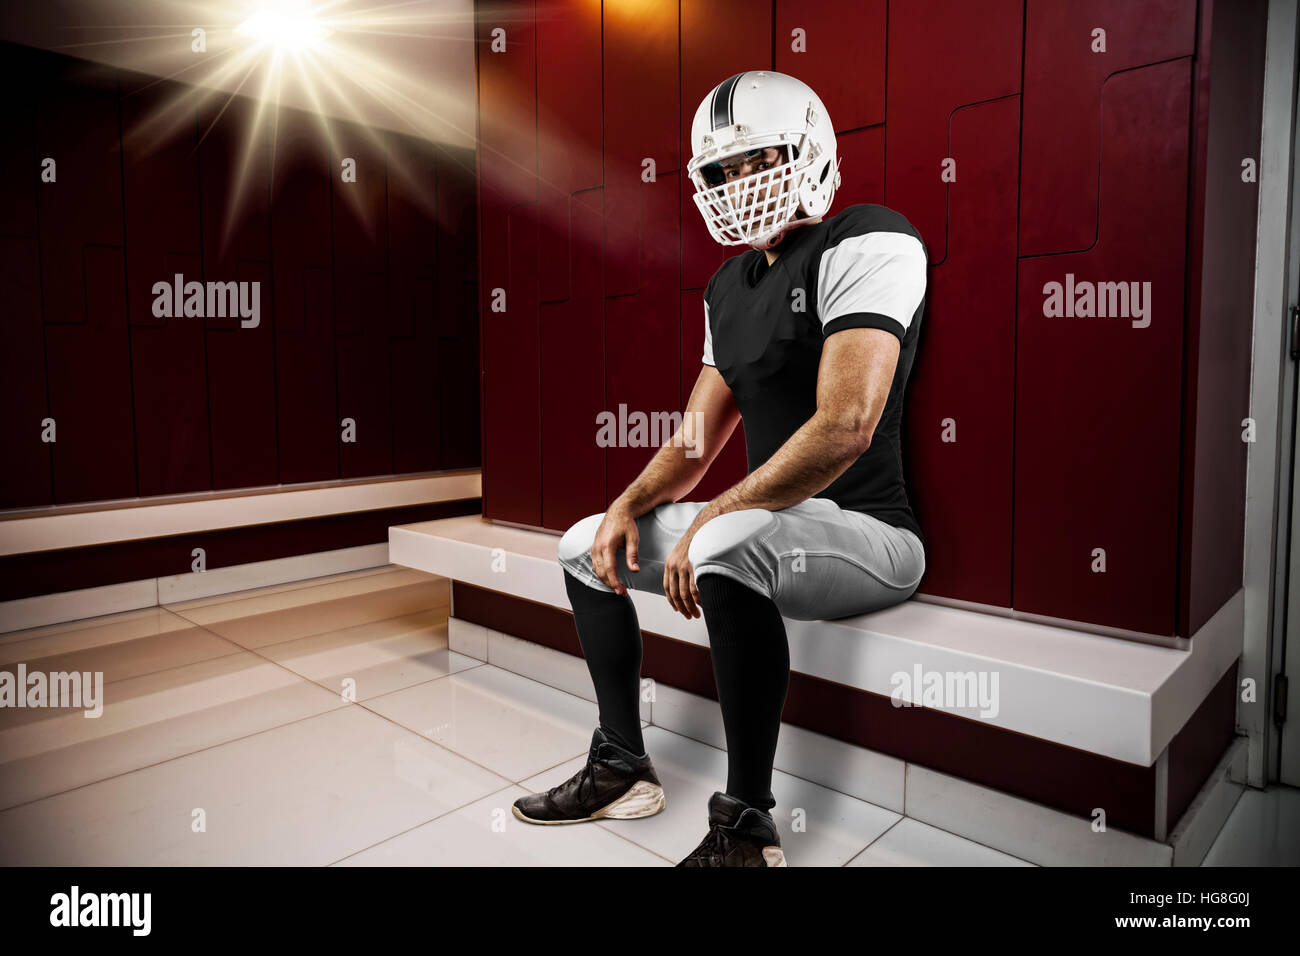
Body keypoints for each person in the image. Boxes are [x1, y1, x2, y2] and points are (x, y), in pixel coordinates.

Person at [512, 70, 929, 867]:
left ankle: (746, 826)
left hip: (871, 533)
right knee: (583, 546)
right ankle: (621, 765)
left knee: (728, 541)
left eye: (758, 159)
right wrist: (627, 505)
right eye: (722, 171)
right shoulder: (728, 287)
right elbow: (695, 442)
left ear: (807, 150)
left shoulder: (871, 238)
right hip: (767, 528)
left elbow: (846, 426)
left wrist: (712, 515)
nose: (740, 185)